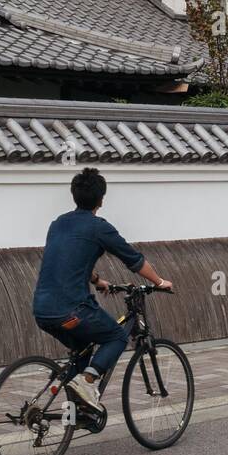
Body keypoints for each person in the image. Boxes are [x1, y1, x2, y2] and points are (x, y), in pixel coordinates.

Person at [31, 167, 172, 410]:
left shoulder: (58, 224)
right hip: (72, 310)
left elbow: (71, 263)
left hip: (42, 310)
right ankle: (87, 382)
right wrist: (159, 282)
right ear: (101, 200)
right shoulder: (99, 227)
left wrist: (97, 281)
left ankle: (76, 410)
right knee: (116, 336)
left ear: (74, 195)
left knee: (82, 349)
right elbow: (134, 260)